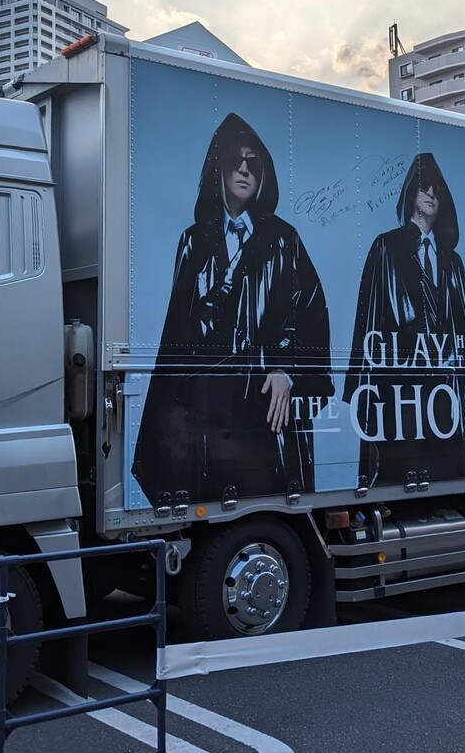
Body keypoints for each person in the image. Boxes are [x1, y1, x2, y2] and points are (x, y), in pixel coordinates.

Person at [131, 113, 333, 507]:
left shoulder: (284, 240)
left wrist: (287, 369)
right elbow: (177, 335)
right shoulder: (193, 242)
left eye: (253, 162)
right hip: (207, 419)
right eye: (235, 160)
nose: (244, 169)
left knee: (265, 501)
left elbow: (310, 314)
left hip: (263, 416)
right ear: (219, 168)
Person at [343, 153, 465, 488]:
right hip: (402, 391)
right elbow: (368, 321)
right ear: (411, 193)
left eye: (437, 189)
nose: (430, 193)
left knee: (450, 472)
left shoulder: (451, 261)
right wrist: (363, 393)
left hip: (448, 395)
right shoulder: (386, 247)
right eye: (422, 187)